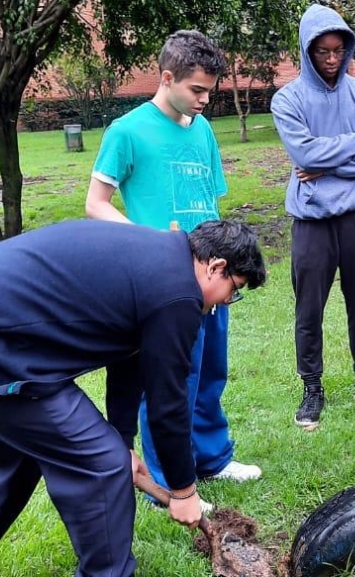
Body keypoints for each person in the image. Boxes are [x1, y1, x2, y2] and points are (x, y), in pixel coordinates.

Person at [0, 218, 267, 577]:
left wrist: (123, 441)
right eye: (234, 290)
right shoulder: (179, 295)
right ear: (216, 267)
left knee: (20, 454)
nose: (226, 302)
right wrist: (183, 491)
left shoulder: (159, 260)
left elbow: (129, 362)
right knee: (102, 465)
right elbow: (168, 404)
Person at [85, 29, 262, 502]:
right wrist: (151, 245)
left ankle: (212, 457)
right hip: (164, 284)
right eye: (197, 90)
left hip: (212, 277)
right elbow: (95, 204)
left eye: (210, 90)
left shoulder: (202, 130)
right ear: (167, 78)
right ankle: (165, 477)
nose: (206, 100)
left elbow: (210, 202)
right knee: (169, 382)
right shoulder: (126, 131)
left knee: (210, 373)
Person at [270, 4, 355, 429]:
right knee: (309, 309)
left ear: (347, 49)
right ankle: (312, 388)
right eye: (321, 51)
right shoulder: (287, 99)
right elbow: (303, 153)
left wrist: (327, 164)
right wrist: (354, 146)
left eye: (337, 50)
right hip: (311, 221)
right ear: (307, 51)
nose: (331, 59)